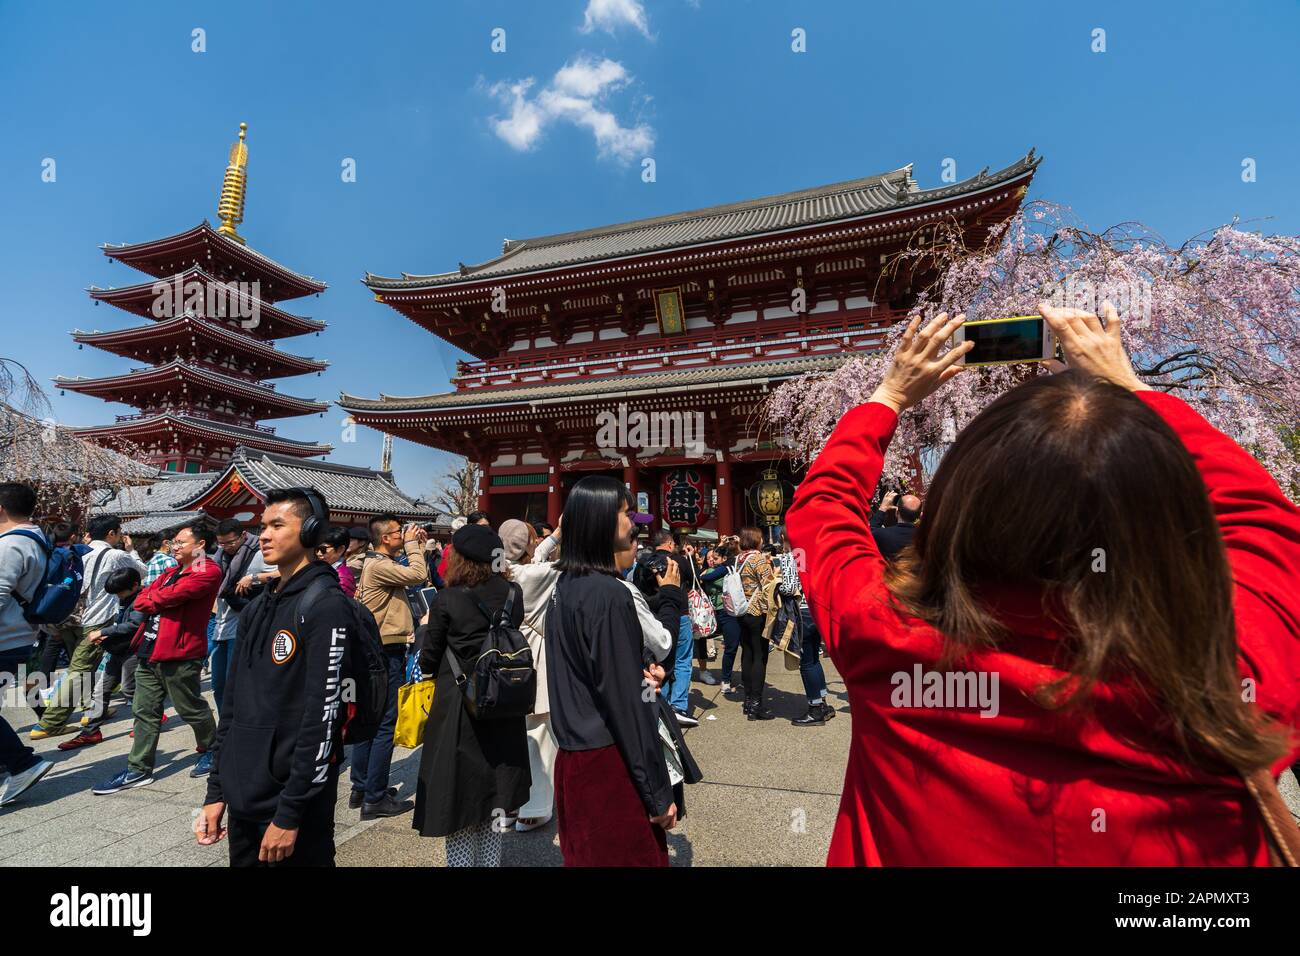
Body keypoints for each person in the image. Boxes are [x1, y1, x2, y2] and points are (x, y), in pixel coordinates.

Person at [786, 304, 1300, 866]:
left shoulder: (885, 634)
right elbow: (1262, 521)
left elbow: (821, 510)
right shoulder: (1232, 658)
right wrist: (1130, 389)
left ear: (957, 507)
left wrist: (886, 399)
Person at [197, 488, 357, 866]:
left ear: (310, 531)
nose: (264, 535)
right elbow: (232, 705)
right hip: (244, 791)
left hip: (292, 802)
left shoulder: (327, 606)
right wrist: (217, 789)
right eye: (262, 525)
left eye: (277, 525)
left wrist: (291, 812)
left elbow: (324, 718)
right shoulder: (259, 606)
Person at [544, 476, 679, 866]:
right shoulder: (609, 593)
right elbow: (626, 704)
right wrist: (657, 793)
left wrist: (639, 675)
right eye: (625, 513)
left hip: (573, 758)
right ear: (601, 520)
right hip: (610, 765)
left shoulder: (565, 586)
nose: (633, 524)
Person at [413, 524, 531, 866]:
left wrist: (424, 628)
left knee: (460, 803)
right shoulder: (513, 594)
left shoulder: (448, 598)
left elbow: (429, 659)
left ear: (460, 559)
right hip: (502, 702)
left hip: (458, 707)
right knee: (494, 799)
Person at [93, 518, 222, 794]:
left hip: (180, 652)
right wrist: (153, 597)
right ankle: (139, 769)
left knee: (190, 708)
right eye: (174, 542)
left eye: (181, 542)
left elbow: (160, 598)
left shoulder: (206, 570)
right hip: (149, 648)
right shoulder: (172, 571)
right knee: (143, 711)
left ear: (200, 545)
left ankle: (213, 749)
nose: (174, 546)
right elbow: (145, 596)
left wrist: (153, 597)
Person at [34, 515, 145, 739]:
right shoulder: (115, 555)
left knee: (84, 666)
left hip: (69, 618)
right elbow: (140, 572)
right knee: (80, 670)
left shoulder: (76, 551)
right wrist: (131, 550)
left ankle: (90, 710)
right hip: (97, 619)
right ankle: (49, 723)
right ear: (112, 533)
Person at [350, 513, 427, 818]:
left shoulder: (371, 562)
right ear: (386, 539)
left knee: (370, 720)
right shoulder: (380, 566)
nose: (401, 536)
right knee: (385, 723)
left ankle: (362, 786)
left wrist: (410, 543)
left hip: (373, 649)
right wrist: (414, 545)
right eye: (398, 533)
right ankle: (375, 797)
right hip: (386, 650)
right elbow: (419, 573)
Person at [497, 517, 561, 832]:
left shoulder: (495, 571)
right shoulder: (532, 575)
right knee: (539, 737)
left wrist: (556, 535)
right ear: (527, 546)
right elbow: (567, 564)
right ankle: (532, 809)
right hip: (531, 662)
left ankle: (507, 805)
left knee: (508, 740)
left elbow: (534, 559)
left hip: (498, 669)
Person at [0, 483, 54, 806]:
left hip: (4, 637)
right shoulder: (37, 539)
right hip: (20, 636)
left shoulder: (9, 546)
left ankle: (22, 764)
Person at [57, 566, 146, 750]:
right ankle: (90, 732)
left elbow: (134, 624)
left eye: (120, 592)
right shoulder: (127, 597)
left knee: (130, 690)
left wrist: (103, 631)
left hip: (133, 651)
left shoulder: (141, 599)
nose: (118, 596)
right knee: (100, 691)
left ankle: (148, 722)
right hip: (119, 649)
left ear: (135, 585)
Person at [212, 519, 269, 719]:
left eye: (230, 542)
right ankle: (225, 727)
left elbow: (285, 575)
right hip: (221, 626)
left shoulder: (260, 554)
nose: (226, 548)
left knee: (233, 684)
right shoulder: (218, 557)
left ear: (243, 535)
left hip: (244, 626)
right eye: (221, 543)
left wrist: (253, 578)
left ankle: (235, 728)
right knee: (218, 685)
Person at [776, 533, 834, 726]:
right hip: (818, 610)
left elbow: (790, 587)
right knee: (815, 660)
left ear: (784, 536)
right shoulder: (815, 554)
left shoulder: (790, 556)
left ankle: (815, 708)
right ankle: (822, 702)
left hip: (801, 611)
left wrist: (776, 586)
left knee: (806, 662)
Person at [651, 529, 700, 726]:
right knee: (682, 660)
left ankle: (658, 703)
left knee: (656, 661)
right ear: (670, 544)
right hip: (679, 615)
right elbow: (695, 578)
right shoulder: (677, 561)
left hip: (652, 618)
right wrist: (689, 556)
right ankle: (678, 706)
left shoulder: (643, 563)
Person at [734, 526, 776, 720]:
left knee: (747, 653)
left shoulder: (739, 559)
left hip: (742, 611)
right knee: (760, 656)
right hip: (757, 611)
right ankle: (756, 705)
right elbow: (769, 582)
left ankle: (748, 700)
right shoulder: (758, 559)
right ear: (756, 540)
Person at [700, 537, 743, 695]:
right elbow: (707, 577)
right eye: (710, 558)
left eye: (715, 558)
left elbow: (707, 577)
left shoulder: (725, 568)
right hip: (720, 612)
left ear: (724, 559)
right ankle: (725, 680)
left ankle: (730, 679)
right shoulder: (713, 570)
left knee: (733, 646)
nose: (711, 560)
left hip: (730, 610)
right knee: (731, 647)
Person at [870, 491, 921, 561]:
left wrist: (883, 508)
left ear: (897, 512)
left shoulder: (882, 535)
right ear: (919, 516)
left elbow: (870, 532)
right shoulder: (924, 538)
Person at [315, 526, 357, 598]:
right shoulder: (326, 569)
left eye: (323, 549)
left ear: (340, 549)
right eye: (317, 549)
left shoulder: (342, 578)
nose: (318, 553)